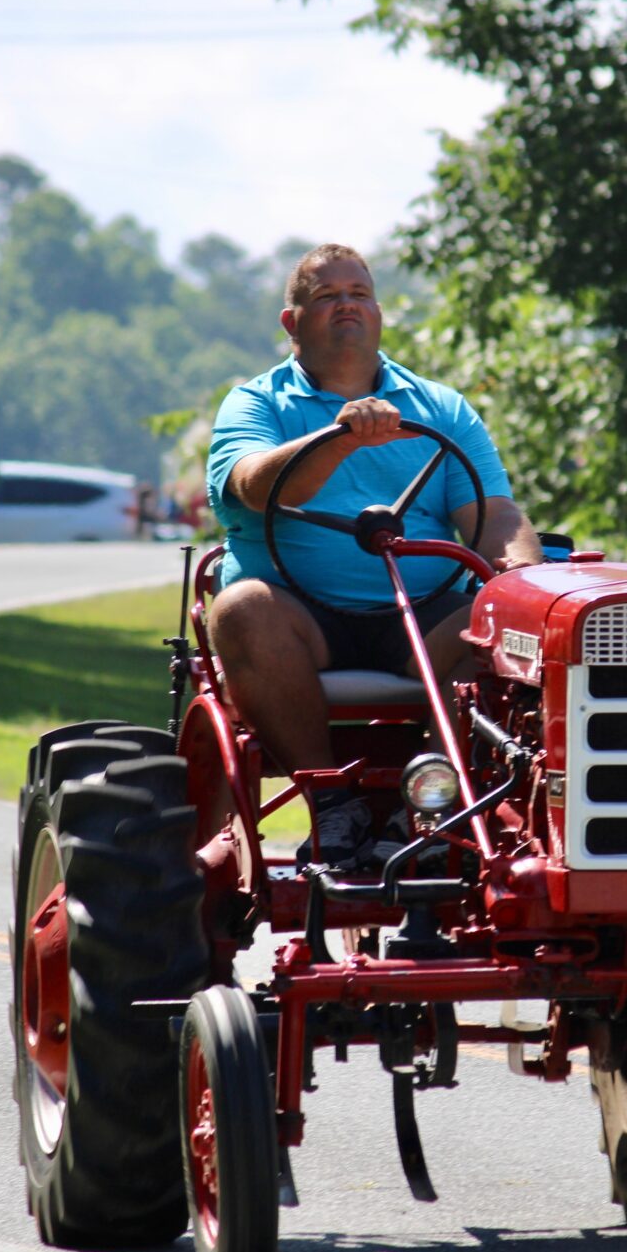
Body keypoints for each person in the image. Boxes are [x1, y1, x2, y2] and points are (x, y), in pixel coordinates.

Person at [206, 244, 542, 866]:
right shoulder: (254, 404)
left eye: (358, 294)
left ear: (379, 313)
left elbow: (492, 514)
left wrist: (523, 580)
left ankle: (436, 810)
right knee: (241, 609)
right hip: (299, 619)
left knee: (504, 628)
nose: (346, 306)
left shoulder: (440, 406)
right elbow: (256, 487)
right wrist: (339, 437)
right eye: (327, 296)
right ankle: (332, 802)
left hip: (423, 611)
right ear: (292, 322)